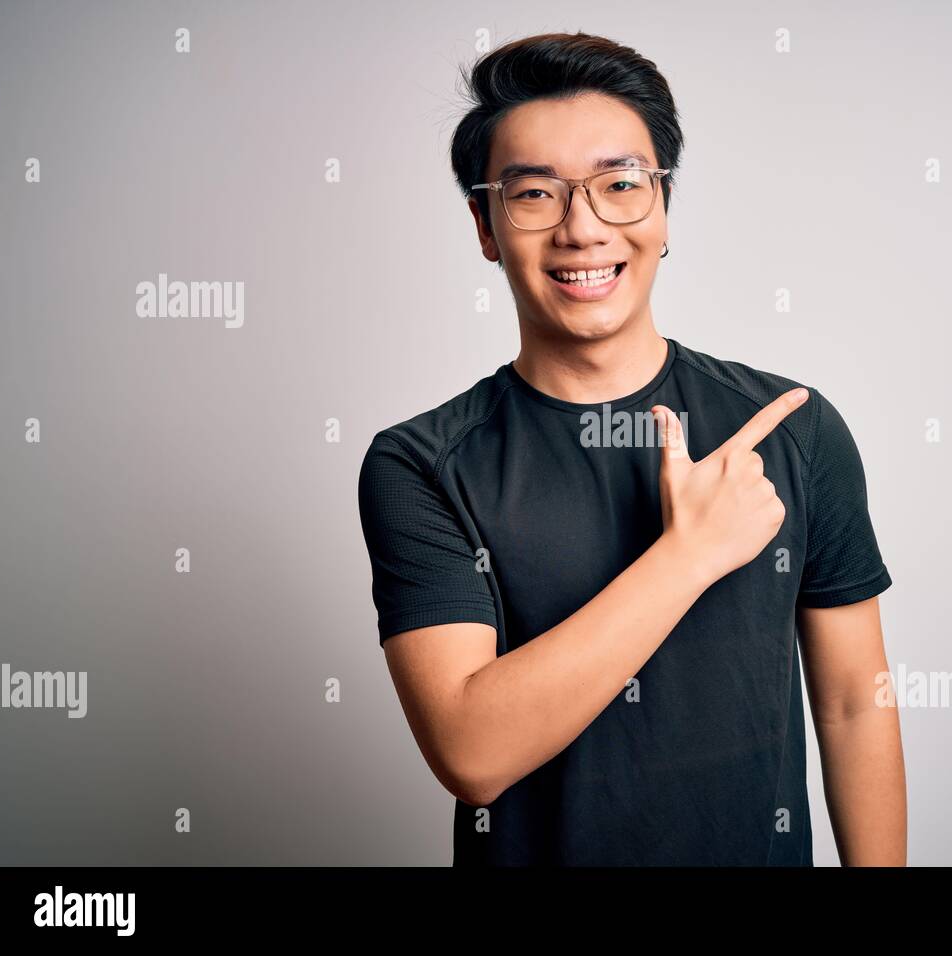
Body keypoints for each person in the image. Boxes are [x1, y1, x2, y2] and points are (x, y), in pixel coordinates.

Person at [357, 31, 905, 866]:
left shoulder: (792, 427)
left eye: (619, 185)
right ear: (486, 225)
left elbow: (853, 704)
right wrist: (688, 556)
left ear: (663, 206)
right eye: (535, 193)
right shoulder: (421, 466)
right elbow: (471, 753)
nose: (583, 230)